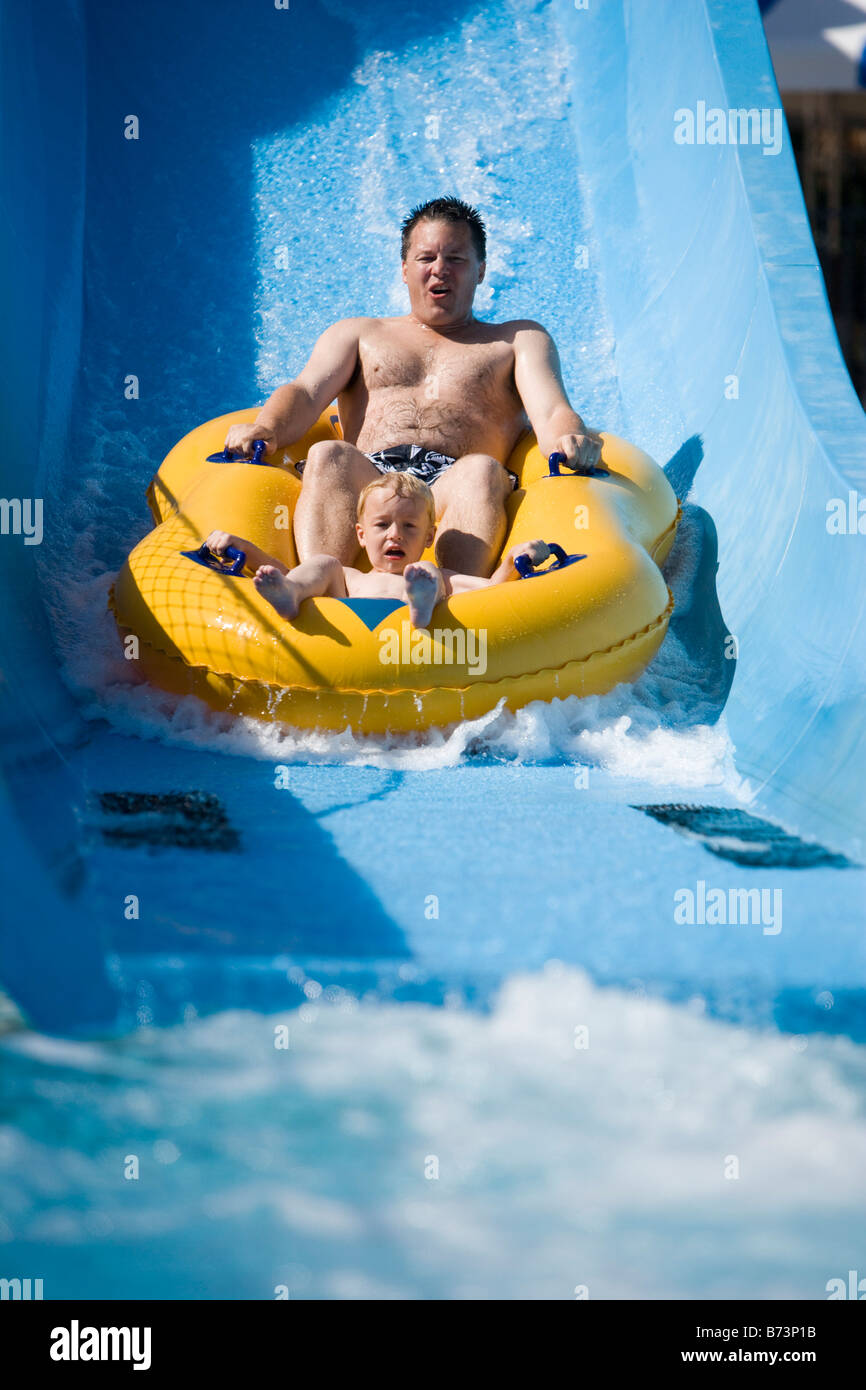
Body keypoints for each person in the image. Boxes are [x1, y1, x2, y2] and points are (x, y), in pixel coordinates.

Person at [221, 195, 603, 577]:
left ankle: (459, 597)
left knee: (483, 470)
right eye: (426, 259)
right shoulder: (359, 333)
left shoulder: (516, 340)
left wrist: (569, 437)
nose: (440, 270)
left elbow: (551, 410)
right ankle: (319, 582)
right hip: (372, 483)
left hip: (454, 487)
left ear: (480, 270)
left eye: (456, 259)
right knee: (328, 455)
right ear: (405, 269)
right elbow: (306, 393)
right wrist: (267, 427)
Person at [203, 472, 551, 631]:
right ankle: (289, 596)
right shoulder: (348, 578)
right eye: (382, 526)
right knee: (322, 563)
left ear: (430, 537)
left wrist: (513, 561)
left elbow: (492, 592)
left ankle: (421, 606)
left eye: (410, 527)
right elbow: (282, 568)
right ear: (361, 535)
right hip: (348, 617)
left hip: (422, 603)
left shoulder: (438, 576)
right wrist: (246, 550)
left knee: (428, 574)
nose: (395, 535)